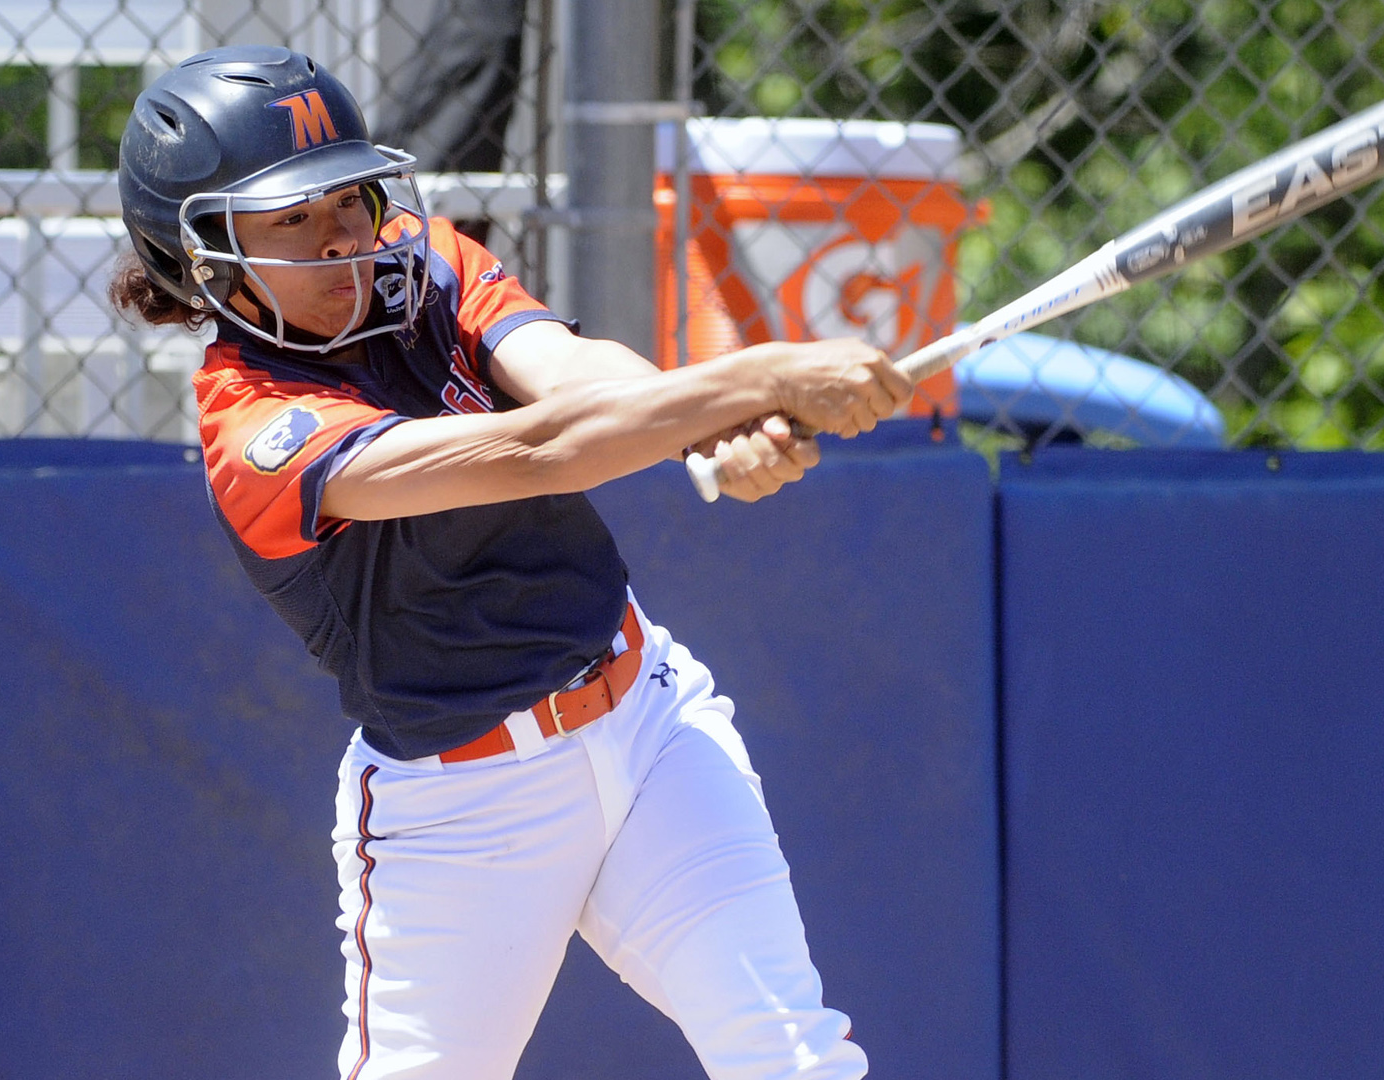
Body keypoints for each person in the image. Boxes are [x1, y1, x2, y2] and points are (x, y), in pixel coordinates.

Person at [111, 44, 909, 1080]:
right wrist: (758, 375)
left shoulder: (430, 262)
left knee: (793, 1060)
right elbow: (539, 449)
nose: (342, 235)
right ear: (203, 260)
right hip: (461, 807)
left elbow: (581, 381)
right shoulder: (253, 427)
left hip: (648, 720)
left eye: (346, 196)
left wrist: (701, 428)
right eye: (292, 219)